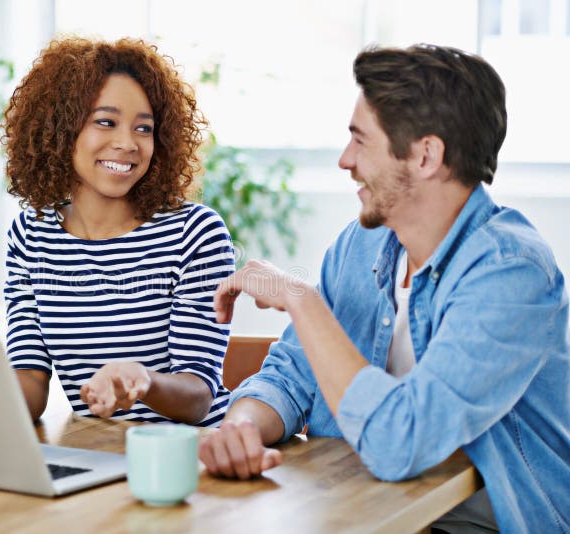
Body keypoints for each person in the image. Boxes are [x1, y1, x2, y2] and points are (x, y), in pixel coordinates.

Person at [199, 44, 570, 532]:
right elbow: (292, 377)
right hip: (358, 512)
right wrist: (242, 427)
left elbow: (401, 441)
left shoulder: (511, 275)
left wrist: (300, 298)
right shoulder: (360, 244)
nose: (344, 160)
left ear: (425, 155)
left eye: (360, 141)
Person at [2, 37, 234, 427]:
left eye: (143, 128)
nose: (127, 143)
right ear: (60, 130)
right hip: (102, 456)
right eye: (105, 122)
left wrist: (143, 382)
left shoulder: (194, 233)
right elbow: (29, 380)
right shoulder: (31, 235)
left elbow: (197, 397)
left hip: (195, 456)